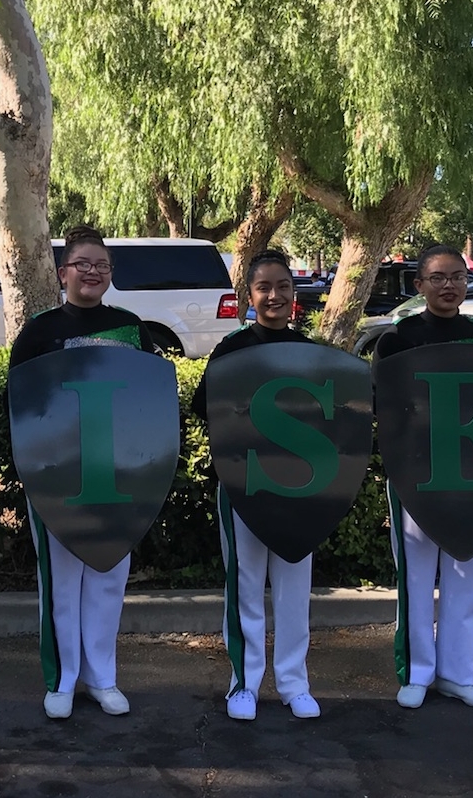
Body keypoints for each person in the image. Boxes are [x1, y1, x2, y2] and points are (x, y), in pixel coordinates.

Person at [9, 227, 155, 720]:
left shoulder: (133, 328)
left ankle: (102, 677)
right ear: (62, 272)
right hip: (58, 473)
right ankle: (63, 679)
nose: (92, 272)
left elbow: (148, 398)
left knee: (109, 575)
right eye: (82, 264)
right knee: (62, 579)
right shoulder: (39, 329)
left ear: (110, 275)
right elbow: (21, 403)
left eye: (101, 265)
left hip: (116, 472)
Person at [190, 249, 321, 721]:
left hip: (300, 489)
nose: (274, 296)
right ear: (250, 295)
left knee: (294, 588)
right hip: (244, 484)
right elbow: (205, 409)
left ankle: (293, 683)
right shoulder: (230, 352)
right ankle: (243, 684)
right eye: (264, 287)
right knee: (244, 586)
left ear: (293, 293)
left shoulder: (310, 352)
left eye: (283, 286)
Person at [374, 245, 473, 711]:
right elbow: (384, 408)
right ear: (419, 284)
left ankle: (459, 673)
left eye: (458, 277)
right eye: (438, 277)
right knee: (417, 573)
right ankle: (417, 672)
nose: (449, 286)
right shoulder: (398, 338)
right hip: (417, 473)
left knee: (467, 572)